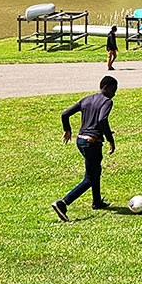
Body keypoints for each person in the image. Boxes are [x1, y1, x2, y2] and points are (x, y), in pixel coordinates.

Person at [52, 75, 117, 221]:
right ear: (105, 87)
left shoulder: (86, 99)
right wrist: (110, 140)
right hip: (92, 143)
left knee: (96, 170)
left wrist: (67, 129)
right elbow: (102, 120)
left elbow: (65, 114)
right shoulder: (107, 102)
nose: (114, 93)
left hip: (81, 141)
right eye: (114, 89)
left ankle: (97, 202)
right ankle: (63, 203)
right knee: (89, 178)